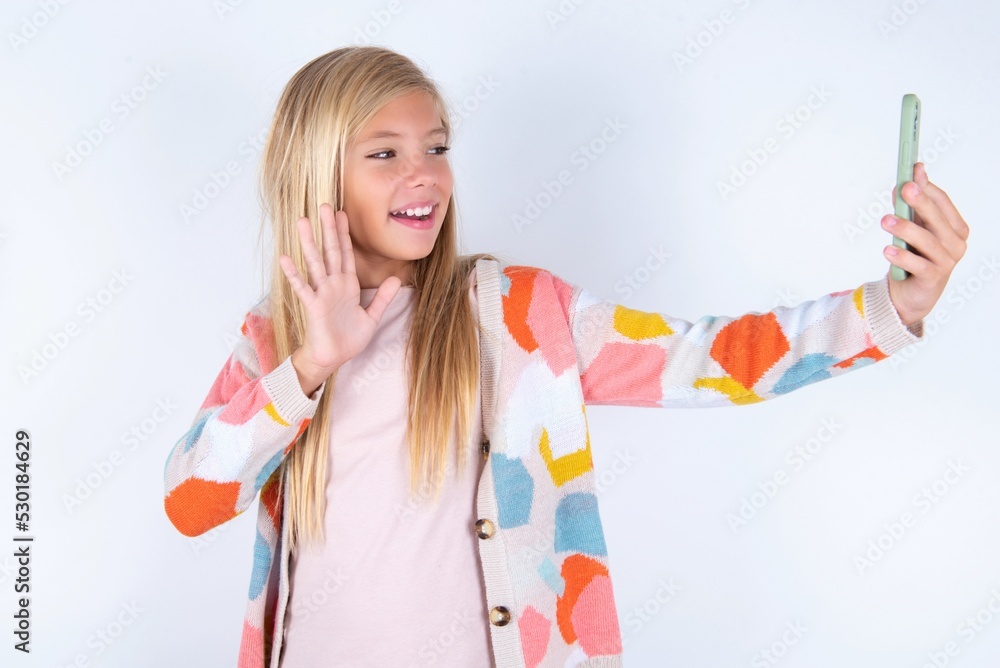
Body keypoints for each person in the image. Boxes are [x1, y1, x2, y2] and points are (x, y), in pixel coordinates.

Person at [162, 45, 970, 668]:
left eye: (436, 147)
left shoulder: (517, 314)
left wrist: (892, 308)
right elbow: (189, 503)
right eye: (385, 154)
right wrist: (309, 366)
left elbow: (707, 357)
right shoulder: (276, 339)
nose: (425, 176)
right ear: (317, 173)